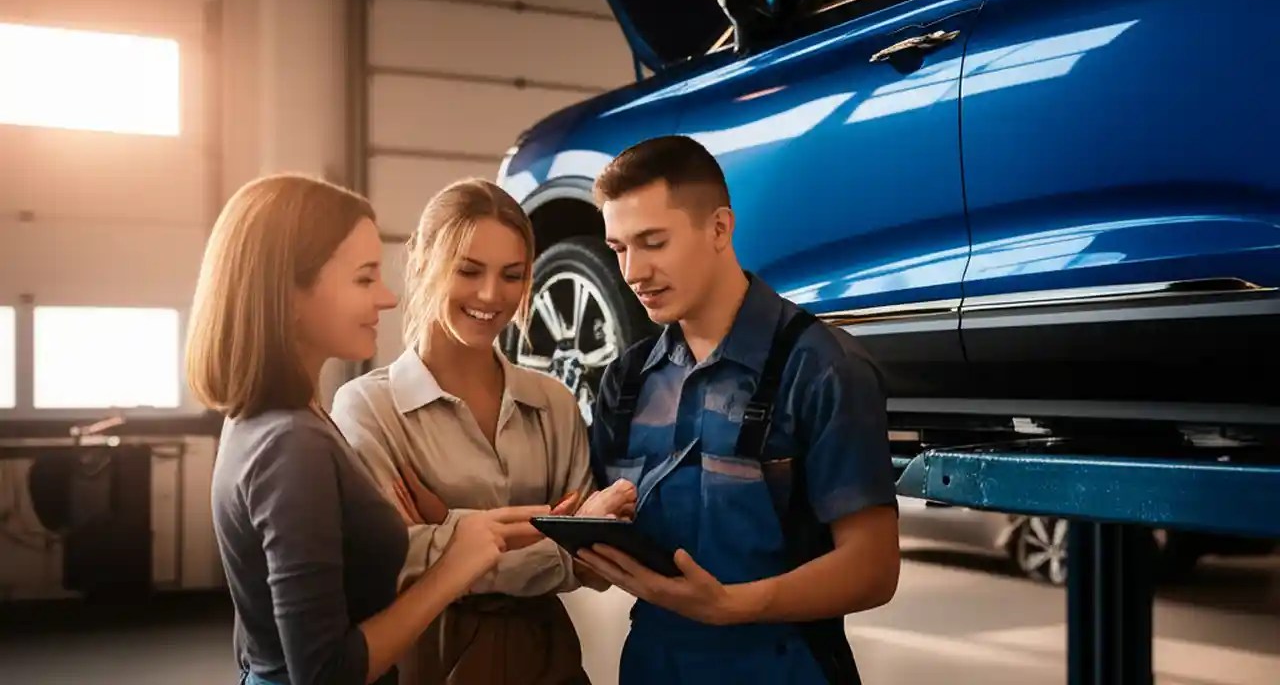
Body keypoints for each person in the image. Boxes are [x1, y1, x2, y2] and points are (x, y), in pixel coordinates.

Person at [188, 173, 553, 685]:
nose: (387, 298)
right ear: (288, 294)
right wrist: (454, 566)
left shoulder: (276, 419)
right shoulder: (292, 445)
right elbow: (324, 674)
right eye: (364, 279)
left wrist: (449, 527)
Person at [575, 136, 901, 684]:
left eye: (653, 242)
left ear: (720, 229)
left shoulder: (822, 368)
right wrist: (585, 538)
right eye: (619, 248)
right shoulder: (626, 382)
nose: (632, 271)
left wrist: (731, 606)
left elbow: (874, 569)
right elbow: (599, 571)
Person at [330, 178, 636, 685]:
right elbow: (396, 562)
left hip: (549, 660)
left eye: (512, 275)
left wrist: (447, 528)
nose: (492, 295)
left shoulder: (554, 404)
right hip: (431, 658)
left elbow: (595, 557)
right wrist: (557, 544)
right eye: (468, 270)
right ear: (421, 261)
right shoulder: (367, 406)